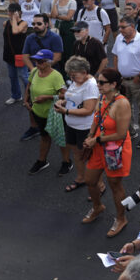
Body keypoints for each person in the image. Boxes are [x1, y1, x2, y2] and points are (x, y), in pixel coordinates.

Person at [82, 68, 133, 238]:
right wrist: (90, 136)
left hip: (115, 150)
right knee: (90, 180)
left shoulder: (122, 103)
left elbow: (120, 133)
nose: (98, 85)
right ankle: (98, 207)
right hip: (98, 145)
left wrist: (95, 140)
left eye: (102, 82)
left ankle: (121, 218)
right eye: (98, 82)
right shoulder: (102, 97)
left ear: (114, 84)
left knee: (114, 184)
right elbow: (96, 120)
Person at [53, 56, 100, 193]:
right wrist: (63, 102)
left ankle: (99, 186)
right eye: (70, 76)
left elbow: (88, 110)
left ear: (84, 72)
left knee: (90, 158)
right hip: (72, 125)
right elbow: (70, 96)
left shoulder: (90, 85)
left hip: (84, 127)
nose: (71, 79)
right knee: (77, 154)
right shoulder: (77, 81)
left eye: (74, 75)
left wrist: (66, 111)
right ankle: (81, 178)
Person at [23, 49, 70, 175]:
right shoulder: (34, 72)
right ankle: (42, 160)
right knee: (44, 136)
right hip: (38, 112)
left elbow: (64, 95)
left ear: (49, 62)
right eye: (36, 61)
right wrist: (26, 99)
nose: (38, 64)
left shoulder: (56, 76)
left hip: (54, 113)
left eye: (41, 61)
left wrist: (47, 97)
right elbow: (29, 85)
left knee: (60, 138)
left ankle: (67, 162)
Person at [112, 16, 140, 149]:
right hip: (123, 81)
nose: (120, 30)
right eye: (120, 27)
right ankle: (130, 131)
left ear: (132, 26)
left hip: (138, 80)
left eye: (123, 27)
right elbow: (115, 56)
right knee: (125, 108)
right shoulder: (119, 38)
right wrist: (116, 74)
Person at [3, 3, 29, 106]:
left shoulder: (24, 23)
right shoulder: (6, 23)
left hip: (20, 56)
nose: (10, 13)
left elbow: (15, 31)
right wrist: (12, 19)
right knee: (12, 76)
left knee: (24, 77)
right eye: (9, 11)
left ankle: (31, 96)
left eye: (12, 11)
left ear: (19, 12)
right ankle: (16, 95)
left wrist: (14, 19)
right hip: (9, 54)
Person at [50, 0, 77, 73]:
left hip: (68, 26)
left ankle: (68, 74)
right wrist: (54, 2)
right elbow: (53, 15)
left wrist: (57, 16)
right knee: (57, 50)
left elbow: (68, 17)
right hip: (58, 25)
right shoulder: (56, 0)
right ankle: (59, 72)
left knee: (68, 51)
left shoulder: (72, 2)